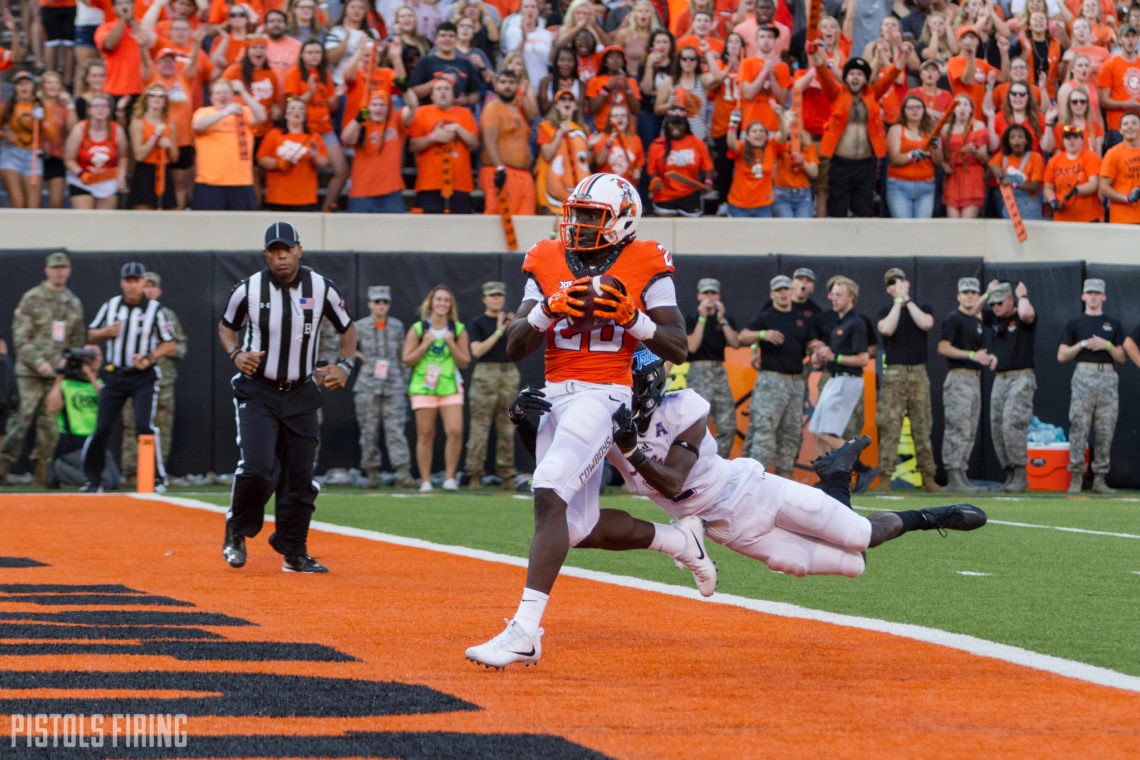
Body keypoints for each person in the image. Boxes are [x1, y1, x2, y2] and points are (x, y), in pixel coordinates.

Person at [505, 349, 986, 658]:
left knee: (859, 535)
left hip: (754, 491)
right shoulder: (606, 421)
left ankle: (928, 517)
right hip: (730, 530)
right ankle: (838, 476)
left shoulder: (686, 408)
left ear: (647, 387)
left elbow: (672, 483)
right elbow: (559, 470)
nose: (616, 397)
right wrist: (527, 423)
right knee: (852, 565)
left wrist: (629, 448)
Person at [465, 172, 689, 670]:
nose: (579, 224)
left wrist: (635, 318)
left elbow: (677, 344)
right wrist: (547, 309)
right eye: (577, 213)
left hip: (606, 391)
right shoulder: (546, 258)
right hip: (555, 392)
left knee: (547, 490)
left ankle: (524, 631)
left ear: (623, 221)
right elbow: (516, 343)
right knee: (578, 525)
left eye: (592, 216)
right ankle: (679, 538)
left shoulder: (648, 260)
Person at [218, 222, 357, 573]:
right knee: (260, 468)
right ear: (266, 254)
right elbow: (226, 326)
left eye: (286, 249)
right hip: (258, 390)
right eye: (273, 251)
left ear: (298, 249)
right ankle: (237, 527)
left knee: (301, 476)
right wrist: (235, 354)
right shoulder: (247, 289)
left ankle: (293, 551)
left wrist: (345, 364)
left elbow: (347, 327)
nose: (280, 256)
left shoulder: (321, 287)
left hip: (301, 392)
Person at [81, 262, 177, 494]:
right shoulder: (111, 306)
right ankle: (93, 480)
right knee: (102, 427)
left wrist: (149, 357)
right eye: (128, 281)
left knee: (144, 426)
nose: (132, 286)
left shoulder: (155, 309)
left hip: (143, 376)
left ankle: (156, 478)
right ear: (122, 283)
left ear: (144, 283)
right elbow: (92, 334)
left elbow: (170, 343)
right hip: (114, 375)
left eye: (136, 281)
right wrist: (107, 332)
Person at [0, 251, 85, 487]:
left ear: (68, 271)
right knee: (20, 420)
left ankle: (42, 475)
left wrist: (64, 366)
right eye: (55, 268)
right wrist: (39, 362)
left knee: (50, 427)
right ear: (46, 270)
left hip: (57, 375)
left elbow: (76, 343)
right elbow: (20, 337)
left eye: (63, 267)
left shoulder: (73, 303)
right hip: (30, 373)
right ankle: (2, 469)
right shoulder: (32, 298)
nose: (59, 272)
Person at [808, 46, 901, 217]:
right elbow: (823, 75)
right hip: (840, 163)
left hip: (866, 164)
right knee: (837, 209)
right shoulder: (836, 93)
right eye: (851, 74)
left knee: (863, 209)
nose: (855, 77)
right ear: (845, 78)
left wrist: (905, 55)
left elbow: (891, 76)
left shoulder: (873, 94)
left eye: (859, 74)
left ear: (866, 79)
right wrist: (819, 59)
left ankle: (861, 244)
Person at [736, 275, 813, 478]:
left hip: (796, 382)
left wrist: (817, 349)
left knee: (791, 431)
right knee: (764, 428)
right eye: (779, 290)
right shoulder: (766, 317)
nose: (783, 293)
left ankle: (784, 475)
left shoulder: (801, 317)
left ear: (791, 291)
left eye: (786, 289)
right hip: (771, 380)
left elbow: (811, 342)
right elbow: (742, 336)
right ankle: (753, 475)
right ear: (772, 294)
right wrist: (762, 335)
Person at [874, 267, 941, 493]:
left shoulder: (922, 307)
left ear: (908, 283)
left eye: (900, 281)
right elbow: (887, 329)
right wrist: (897, 302)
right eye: (892, 283)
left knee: (922, 425)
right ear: (888, 288)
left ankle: (928, 476)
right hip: (894, 374)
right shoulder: (885, 310)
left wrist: (907, 301)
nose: (897, 285)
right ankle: (885, 477)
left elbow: (926, 324)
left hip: (918, 373)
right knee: (890, 426)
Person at [1057, 278, 1124, 494]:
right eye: (1090, 293)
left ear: (1103, 296)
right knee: (1079, 426)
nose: (1093, 296)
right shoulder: (1075, 323)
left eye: (1097, 293)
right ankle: (1076, 476)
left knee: (1105, 428)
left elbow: (1122, 357)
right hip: (1084, 375)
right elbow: (1062, 355)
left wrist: (1107, 345)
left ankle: (1100, 479)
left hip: (1107, 377)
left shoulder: (1113, 324)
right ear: (1083, 296)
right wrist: (1083, 344)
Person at [402, 284, 470, 492]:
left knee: (455, 431)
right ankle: (425, 481)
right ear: (431, 302)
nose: (442, 303)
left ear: (451, 306)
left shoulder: (457, 330)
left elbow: (464, 362)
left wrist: (451, 343)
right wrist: (424, 344)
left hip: (450, 386)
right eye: (439, 299)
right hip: (423, 388)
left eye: (446, 300)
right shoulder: (418, 329)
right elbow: (407, 360)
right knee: (425, 434)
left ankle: (450, 478)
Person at [808, 275, 874, 488]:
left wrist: (834, 357)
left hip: (848, 380)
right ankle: (825, 478)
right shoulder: (840, 322)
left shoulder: (856, 323)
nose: (833, 298)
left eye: (839, 295)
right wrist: (822, 356)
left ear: (851, 297)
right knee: (817, 431)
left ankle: (862, 469)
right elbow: (833, 355)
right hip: (835, 378)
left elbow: (863, 358)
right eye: (832, 294)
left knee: (828, 433)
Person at [120, 271, 186, 487]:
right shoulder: (125, 312)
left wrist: (158, 351)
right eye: (144, 285)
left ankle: (157, 474)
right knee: (132, 425)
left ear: (158, 291)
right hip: (135, 379)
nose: (147, 289)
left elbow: (180, 346)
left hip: (162, 381)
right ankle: (131, 473)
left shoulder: (166, 315)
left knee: (161, 427)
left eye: (152, 286)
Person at [936, 277, 997, 494]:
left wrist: (987, 358)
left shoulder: (977, 321)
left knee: (969, 429)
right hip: (958, 377)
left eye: (973, 292)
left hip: (974, 378)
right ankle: (953, 476)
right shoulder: (954, 318)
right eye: (966, 292)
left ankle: (961, 473)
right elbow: (943, 347)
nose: (969, 296)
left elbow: (977, 353)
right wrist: (971, 355)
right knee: (957, 427)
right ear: (958, 296)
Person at [353, 285, 416, 490]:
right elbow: (342, 345)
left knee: (396, 431)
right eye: (377, 302)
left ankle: (403, 473)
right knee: (369, 431)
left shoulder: (397, 326)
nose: (381, 306)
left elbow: (403, 356)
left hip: (394, 384)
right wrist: (357, 355)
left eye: (384, 302)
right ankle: (372, 474)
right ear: (370, 303)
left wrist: (406, 383)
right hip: (367, 385)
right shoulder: (359, 326)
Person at [464, 281, 520, 489]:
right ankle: (474, 474)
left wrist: (514, 328)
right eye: (491, 295)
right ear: (484, 299)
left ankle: (506, 473)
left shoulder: (511, 321)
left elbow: (520, 349)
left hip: (508, 372)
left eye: (499, 295)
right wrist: (498, 332)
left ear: (503, 298)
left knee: (507, 426)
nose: (496, 298)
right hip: (485, 373)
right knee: (480, 424)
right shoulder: (478, 323)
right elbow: (477, 351)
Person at [982, 280, 1036, 493]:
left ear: (1010, 301)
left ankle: (1021, 474)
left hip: (1021, 377)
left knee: (1012, 424)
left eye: (999, 303)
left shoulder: (1022, 317)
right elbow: (973, 311)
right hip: (1000, 379)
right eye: (992, 304)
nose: (994, 307)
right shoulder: (994, 318)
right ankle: (1010, 473)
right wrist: (987, 295)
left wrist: (1022, 296)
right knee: (997, 426)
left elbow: (1026, 315)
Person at [44, 344, 122, 490]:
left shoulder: (103, 383)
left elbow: (109, 403)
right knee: (105, 482)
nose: (94, 359)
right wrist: (60, 375)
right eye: (89, 356)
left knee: (115, 482)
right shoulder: (67, 383)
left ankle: (63, 470)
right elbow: (51, 407)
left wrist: (91, 377)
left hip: (96, 441)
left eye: (97, 355)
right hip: (73, 443)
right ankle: (57, 469)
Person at [683, 277, 740, 458]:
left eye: (713, 293)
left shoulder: (724, 319)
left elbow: (735, 343)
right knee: (699, 423)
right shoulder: (691, 318)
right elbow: (692, 346)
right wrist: (702, 317)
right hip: (698, 372)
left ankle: (718, 464)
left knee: (728, 425)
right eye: (706, 293)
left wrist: (722, 320)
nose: (710, 297)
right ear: (699, 296)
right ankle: (698, 464)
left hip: (719, 372)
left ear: (719, 296)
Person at [191, 78, 268, 210]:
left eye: (226, 93)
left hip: (241, 181)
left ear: (232, 96)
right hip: (209, 182)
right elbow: (198, 125)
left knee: (242, 226)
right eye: (218, 93)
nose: (222, 96)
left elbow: (262, 116)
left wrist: (243, 92)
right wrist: (225, 112)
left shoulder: (243, 111)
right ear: (212, 97)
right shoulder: (204, 112)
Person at [407, 75, 480, 213]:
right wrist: (433, 137)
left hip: (460, 184)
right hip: (429, 183)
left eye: (447, 89)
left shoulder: (465, 113)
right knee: (430, 229)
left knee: (460, 228)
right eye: (438, 89)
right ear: (432, 96)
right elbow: (413, 145)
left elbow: (474, 142)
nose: (443, 92)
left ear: (453, 95)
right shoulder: (422, 112)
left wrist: (458, 129)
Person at [342, 89, 418, 213]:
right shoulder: (361, 125)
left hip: (391, 193)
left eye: (382, 105)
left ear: (388, 108)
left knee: (395, 232)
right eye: (374, 104)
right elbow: (346, 138)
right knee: (358, 232)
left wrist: (404, 87)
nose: (378, 108)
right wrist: (357, 120)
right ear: (368, 107)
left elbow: (413, 106)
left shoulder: (395, 121)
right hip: (361, 194)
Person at [480, 68, 537, 217]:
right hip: (502, 172)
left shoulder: (517, 108)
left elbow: (533, 114)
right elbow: (489, 141)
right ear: (495, 85)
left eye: (511, 82)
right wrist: (500, 169)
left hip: (523, 174)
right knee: (500, 225)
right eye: (503, 82)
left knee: (525, 224)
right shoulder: (492, 108)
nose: (507, 86)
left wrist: (524, 92)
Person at [255, 98, 330, 212]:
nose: (297, 112)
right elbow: (261, 159)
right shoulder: (274, 134)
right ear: (285, 115)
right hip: (278, 196)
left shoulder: (313, 137)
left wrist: (315, 156)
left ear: (305, 115)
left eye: (301, 109)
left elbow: (323, 163)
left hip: (305, 197)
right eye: (292, 109)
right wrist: (278, 163)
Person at [646, 101, 714, 216]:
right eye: (672, 124)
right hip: (665, 195)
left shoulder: (697, 142)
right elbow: (652, 170)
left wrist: (708, 182)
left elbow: (708, 167)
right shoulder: (657, 144)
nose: (676, 127)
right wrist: (655, 180)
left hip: (690, 193)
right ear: (667, 126)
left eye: (679, 124)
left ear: (686, 125)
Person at [127, 83, 179, 210]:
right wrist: (154, 137)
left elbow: (174, 158)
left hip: (163, 169)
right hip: (145, 171)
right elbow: (139, 155)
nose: (157, 99)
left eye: (161, 96)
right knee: (143, 212)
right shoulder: (138, 122)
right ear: (146, 99)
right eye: (153, 95)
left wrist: (170, 146)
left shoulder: (169, 124)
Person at [1043, 123, 1102, 222]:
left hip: (1088, 217)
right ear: (1063, 140)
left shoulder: (1090, 157)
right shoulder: (1054, 160)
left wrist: (1076, 191)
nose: (1071, 141)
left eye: (1075, 137)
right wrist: (1052, 200)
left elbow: (1095, 184)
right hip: (1062, 216)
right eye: (1067, 138)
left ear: (1082, 140)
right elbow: (1047, 187)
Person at [1097, 110, 1140, 224]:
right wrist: (1127, 198)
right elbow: (1103, 188)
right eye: (1125, 124)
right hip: (1122, 218)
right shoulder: (1113, 153)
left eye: (1134, 123)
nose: (1130, 126)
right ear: (1120, 130)